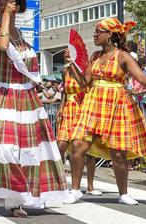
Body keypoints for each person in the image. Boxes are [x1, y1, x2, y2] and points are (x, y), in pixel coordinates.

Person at [0, 0, 67, 218]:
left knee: (26, 153)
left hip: (27, 100)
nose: (2, 5)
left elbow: (29, 69)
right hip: (3, 96)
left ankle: (14, 200)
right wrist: (6, 18)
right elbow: (2, 47)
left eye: (7, 2)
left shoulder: (22, 38)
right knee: (3, 150)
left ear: (18, 5)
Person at [65, 18, 146, 205]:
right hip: (93, 102)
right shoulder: (95, 57)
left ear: (109, 35)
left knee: (118, 153)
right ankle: (75, 190)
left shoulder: (122, 56)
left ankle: (123, 193)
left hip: (116, 104)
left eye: (98, 31)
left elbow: (140, 75)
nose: (94, 35)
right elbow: (84, 83)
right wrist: (71, 63)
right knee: (77, 145)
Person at [55, 60, 100, 195]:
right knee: (60, 146)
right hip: (69, 110)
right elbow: (64, 92)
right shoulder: (65, 72)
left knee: (89, 151)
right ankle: (60, 182)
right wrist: (61, 107)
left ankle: (90, 186)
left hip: (83, 108)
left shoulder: (85, 72)